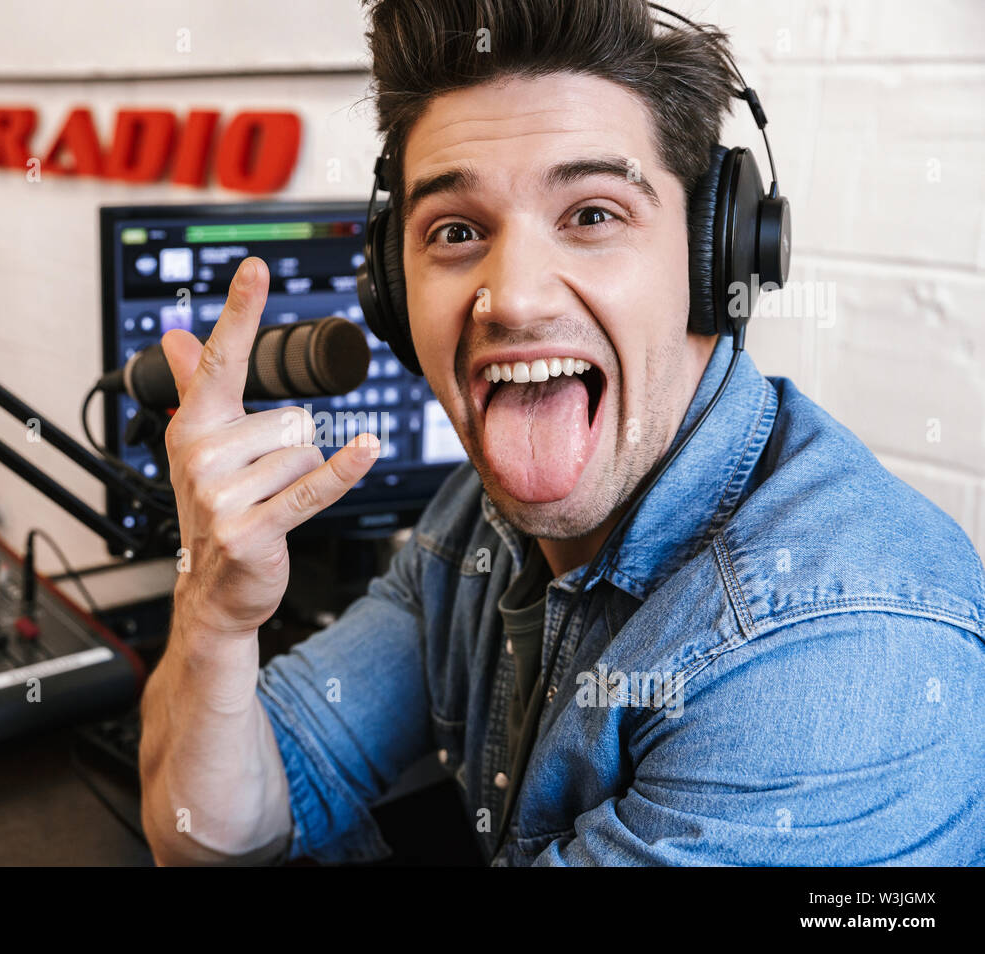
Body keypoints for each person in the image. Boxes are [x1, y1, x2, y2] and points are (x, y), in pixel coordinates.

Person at [138, 0, 985, 865]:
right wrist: (214, 613)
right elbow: (209, 835)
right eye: (457, 231)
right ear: (393, 293)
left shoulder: (835, 653)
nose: (514, 297)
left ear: (715, 258)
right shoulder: (474, 524)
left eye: (592, 215)